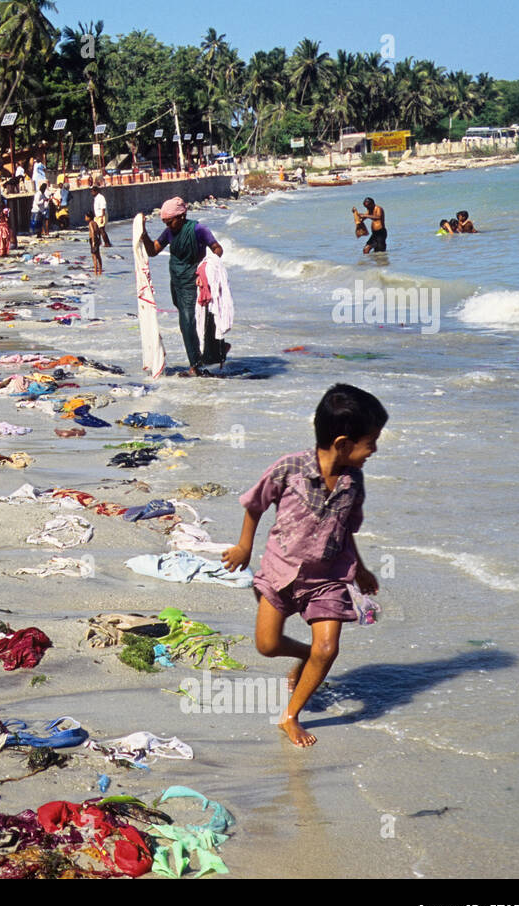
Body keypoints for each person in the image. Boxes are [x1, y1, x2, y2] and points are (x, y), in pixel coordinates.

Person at [221, 384, 387, 748]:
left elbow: (345, 528)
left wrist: (359, 568)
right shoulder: (290, 468)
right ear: (343, 443)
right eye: (371, 441)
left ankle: (290, 716)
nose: (374, 450)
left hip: (328, 579)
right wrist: (244, 546)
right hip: (281, 572)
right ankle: (302, 656)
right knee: (267, 645)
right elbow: (255, 504)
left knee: (327, 649)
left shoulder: (353, 481)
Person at [138, 196, 229, 376]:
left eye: (170, 222)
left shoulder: (198, 229)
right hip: (177, 282)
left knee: (188, 322)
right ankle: (216, 350)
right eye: (165, 222)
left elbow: (217, 249)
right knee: (189, 322)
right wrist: (143, 233)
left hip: (195, 281)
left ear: (181, 216)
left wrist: (206, 268)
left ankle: (195, 365)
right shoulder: (169, 232)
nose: (168, 226)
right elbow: (153, 251)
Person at [91, 180, 112, 247]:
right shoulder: (96, 198)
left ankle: (107, 243)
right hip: (97, 216)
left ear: (96, 191)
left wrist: (102, 217)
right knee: (97, 230)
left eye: (92, 192)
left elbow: (103, 208)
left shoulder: (101, 197)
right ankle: (99, 241)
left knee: (102, 230)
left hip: (101, 216)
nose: (92, 193)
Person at [85, 210, 103, 274]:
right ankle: (100, 270)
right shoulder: (95, 223)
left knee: (94, 256)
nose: (85, 218)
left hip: (93, 239)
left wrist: (93, 242)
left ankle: (95, 271)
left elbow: (92, 232)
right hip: (97, 239)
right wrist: (100, 239)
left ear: (89, 217)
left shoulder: (90, 223)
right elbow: (99, 231)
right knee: (98, 255)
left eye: (86, 217)